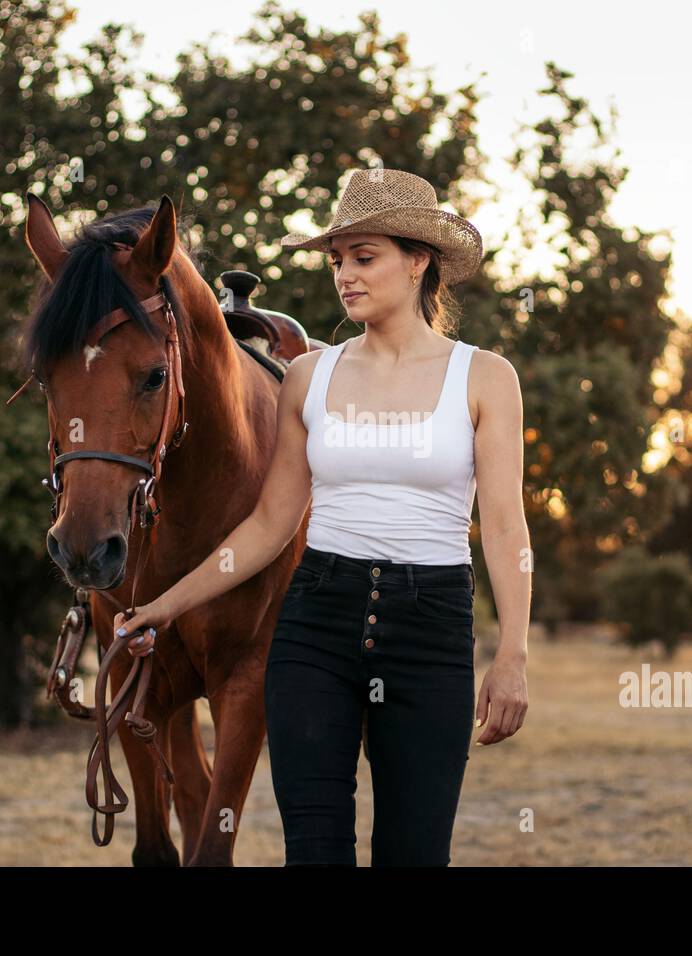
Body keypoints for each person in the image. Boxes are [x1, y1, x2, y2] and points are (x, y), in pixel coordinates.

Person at [115, 167, 530, 865]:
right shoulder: (311, 374)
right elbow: (270, 524)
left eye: (364, 258)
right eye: (338, 261)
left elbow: (506, 529)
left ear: (419, 259)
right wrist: (163, 604)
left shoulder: (484, 376)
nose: (345, 276)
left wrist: (512, 655)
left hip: (430, 628)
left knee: (415, 851)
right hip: (317, 624)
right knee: (314, 852)